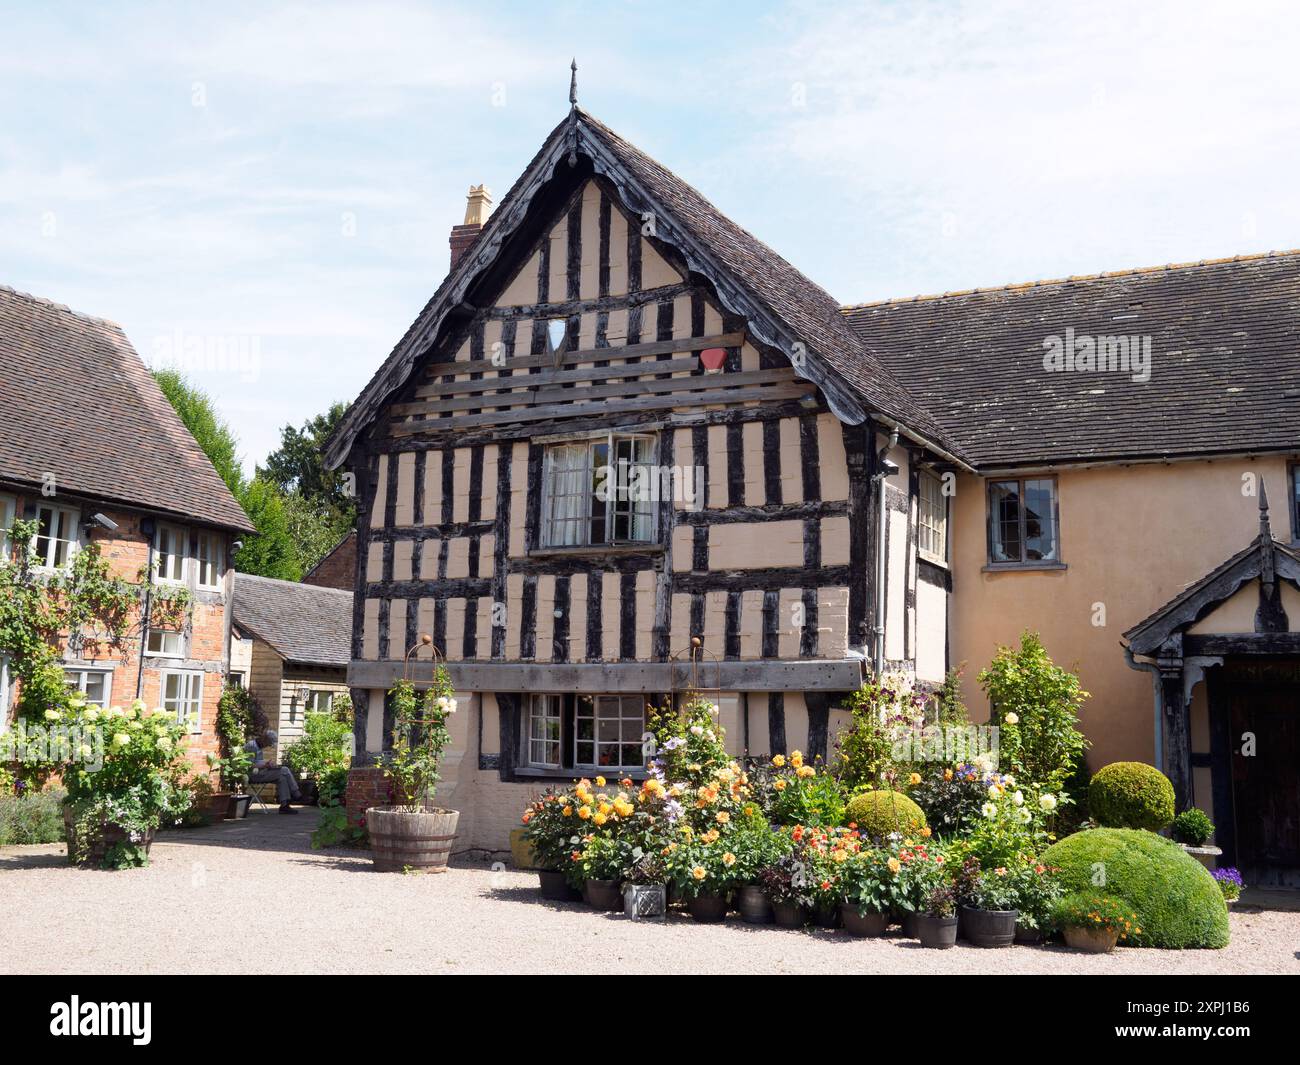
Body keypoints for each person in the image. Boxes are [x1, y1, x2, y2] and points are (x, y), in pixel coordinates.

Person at [244, 731, 302, 814]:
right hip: (253, 775)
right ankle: (296, 793)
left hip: (261, 773)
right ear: (265, 739)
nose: (268, 746)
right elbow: (248, 764)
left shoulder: (259, 747)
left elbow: (258, 762)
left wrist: (268, 764)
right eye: (269, 744)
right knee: (284, 769)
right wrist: (265, 765)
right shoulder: (251, 746)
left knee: (282, 777)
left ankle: (284, 806)